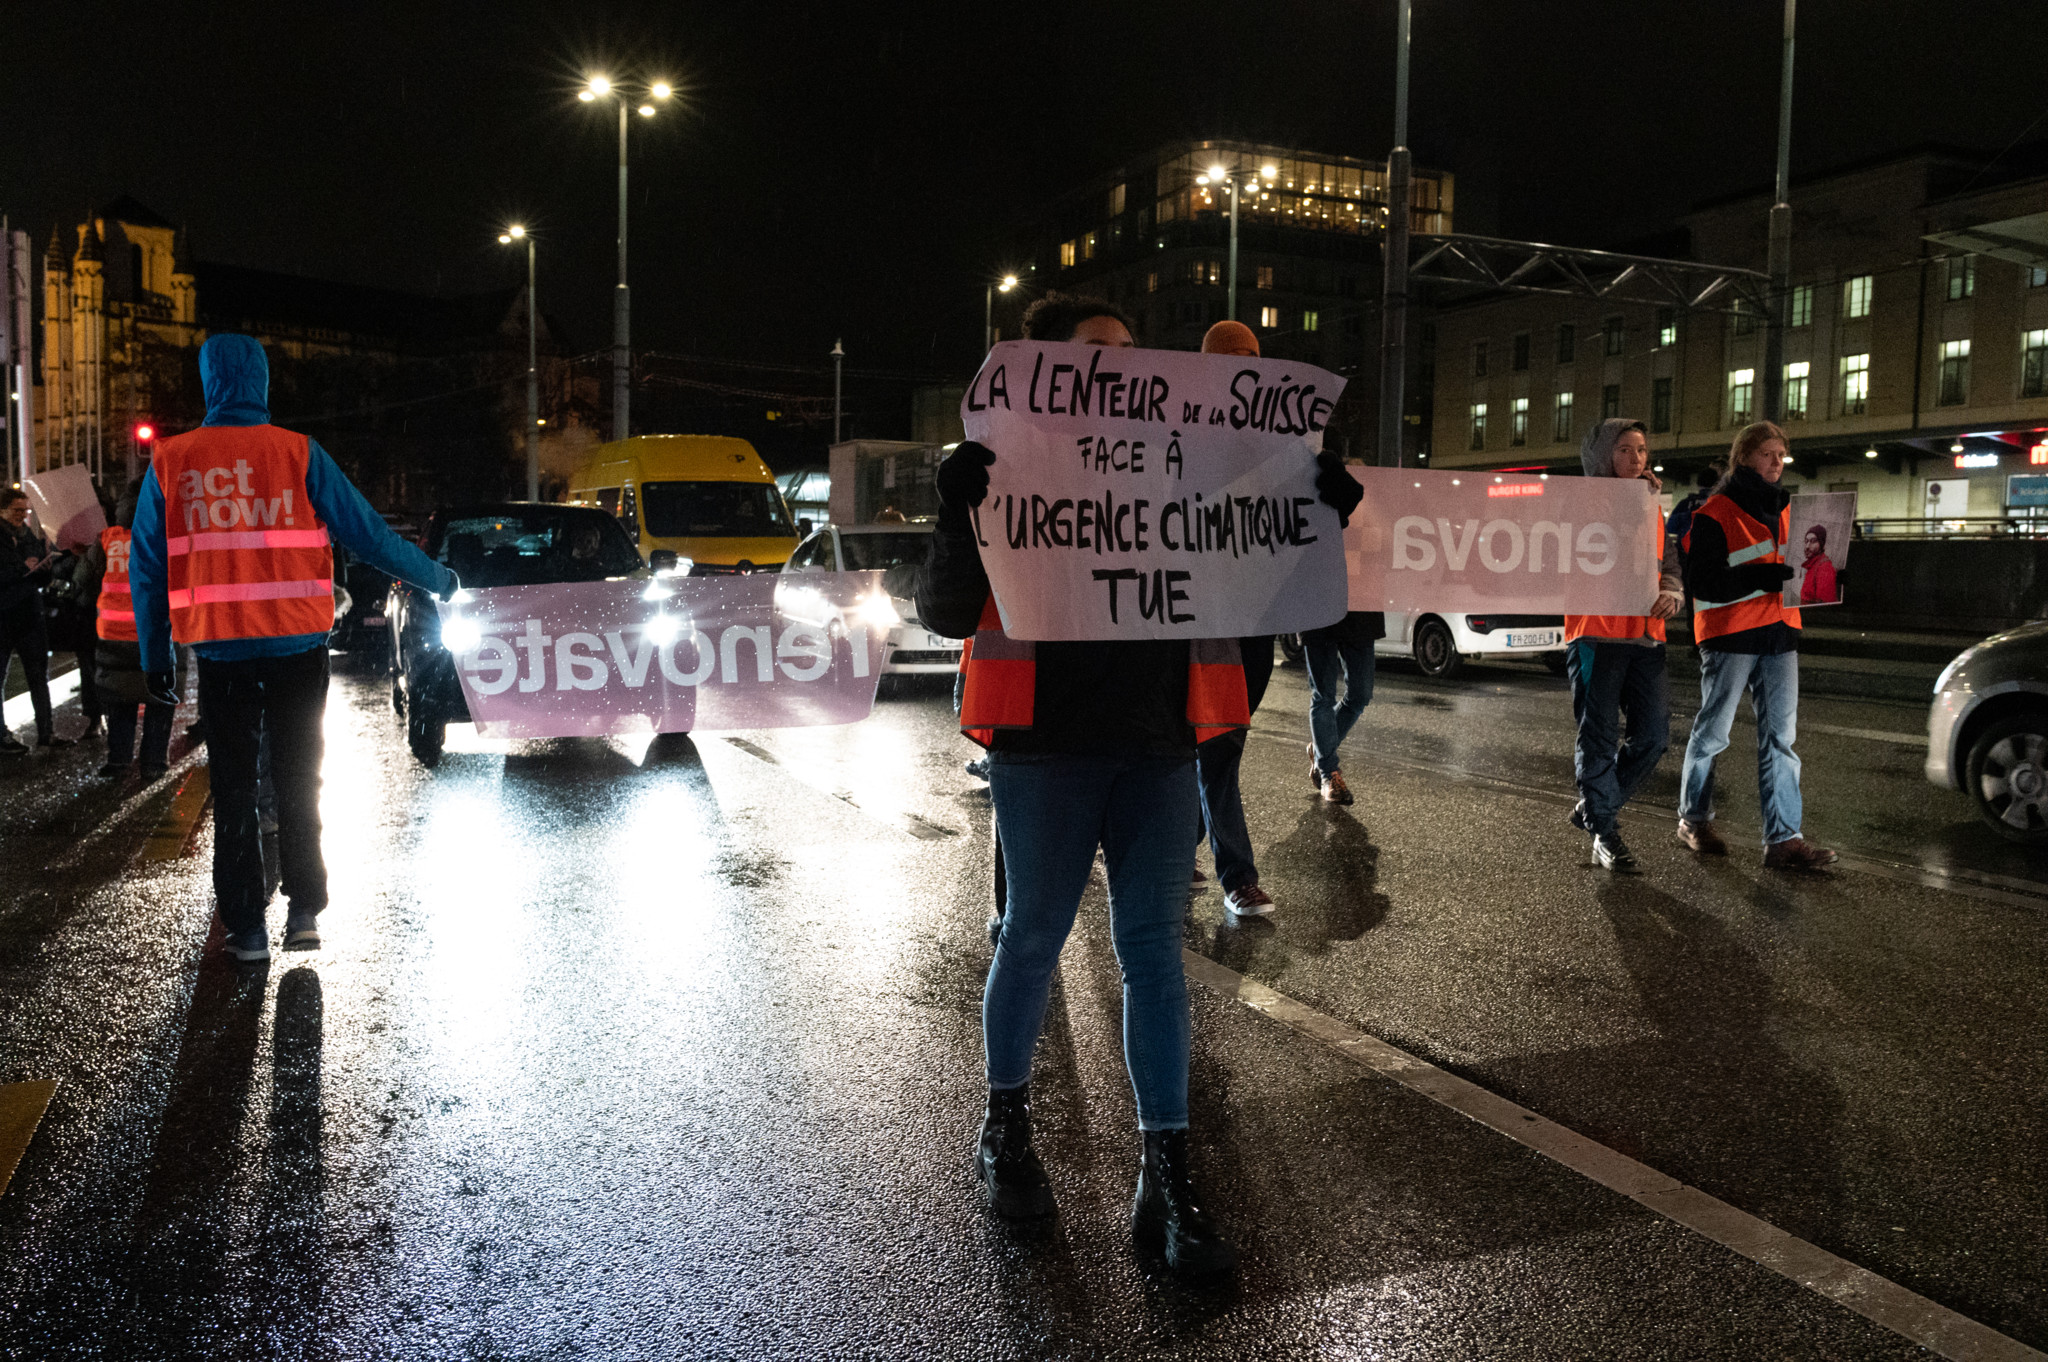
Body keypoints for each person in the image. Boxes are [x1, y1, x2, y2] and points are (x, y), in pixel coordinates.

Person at [918, 292, 1362, 1274]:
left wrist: (1312, 512)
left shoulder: (1185, 470)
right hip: (1042, 746)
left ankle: (1165, 1176)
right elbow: (947, 610)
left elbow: (1272, 595)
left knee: (1152, 958)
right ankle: (1005, 1134)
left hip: (1160, 747)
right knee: (1029, 937)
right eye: (1094, 355)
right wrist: (955, 506)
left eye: (1128, 354)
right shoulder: (999, 468)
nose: (1117, 371)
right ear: (1045, 367)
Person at [131, 334, 458, 963]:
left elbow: (147, 568)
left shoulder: (172, 462)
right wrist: (438, 579)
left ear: (208, 381)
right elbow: (369, 536)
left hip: (221, 652)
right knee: (299, 779)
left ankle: (246, 930)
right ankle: (304, 910)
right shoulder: (298, 453)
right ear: (261, 380)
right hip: (297, 649)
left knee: (233, 791)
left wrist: (155, 657)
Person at [1676, 421, 1836, 871]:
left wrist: (1828, 579)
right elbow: (1702, 583)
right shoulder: (1715, 512)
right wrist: (1757, 578)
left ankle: (1783, 840)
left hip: (1780, 632)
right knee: (1713, 734)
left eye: (1781, 455)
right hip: (1730, 633)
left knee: (1782, 739)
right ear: (1744, 456)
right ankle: (1693, 820)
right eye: (1768, 453)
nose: (1777, 462)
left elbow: (1796, 569)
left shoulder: (1788, 510)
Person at [1563, 418, 1683, 872]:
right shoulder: (1579, 502)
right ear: (1602, 456)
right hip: (1595, 634)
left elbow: (1666, 560)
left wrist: (1671, 592)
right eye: (1624, 450)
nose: (1636, 459)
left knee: (1653, 737)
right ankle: (1606, 832)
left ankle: (1596, 809)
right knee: (1597, 736)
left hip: (1646, 635)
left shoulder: (1651, 501)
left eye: (1641, 450)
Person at [1193, 319, 1279, 917]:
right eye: (1228, 359)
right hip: (1191, 614)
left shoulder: (1282, 434)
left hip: (1254, 617)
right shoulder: (1178, 428)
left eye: (1250, 357)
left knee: (1225, 744)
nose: (1241, 367)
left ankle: (1176, 849)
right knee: (1215, 746)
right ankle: (1236, 874)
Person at [81, 495, 174, 778]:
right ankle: (154, 764)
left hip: (113, 634)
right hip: (157, 631)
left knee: (119, 699)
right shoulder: (165, 537)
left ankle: (119, 761)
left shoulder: (107, 540)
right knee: (160, 699)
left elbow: (82, 579)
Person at [0, 488, 74, 753]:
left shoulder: (27, 535)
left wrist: (44, 568)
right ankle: (2, 738)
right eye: (17, 510)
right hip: (5, 615)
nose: (23, 515)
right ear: (2, 510)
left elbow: (39, 576)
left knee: (38, 676)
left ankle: (46, 732)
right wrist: (24, 567)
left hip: (30, 614)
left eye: (26, 510)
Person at [1302, 610, 1382, 806]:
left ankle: (1321, 748)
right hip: (1318, 609)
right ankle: (1329, 774)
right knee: (1323, 695)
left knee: (1360, 694)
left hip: (1360, 611)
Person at [1798, 525, 1839, 605]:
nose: (1807, 546)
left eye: (1813, 541)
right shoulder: (1813, 564)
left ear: (1821, 544)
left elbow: (1825, 606)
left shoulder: (1824, 568)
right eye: (1806, 541)